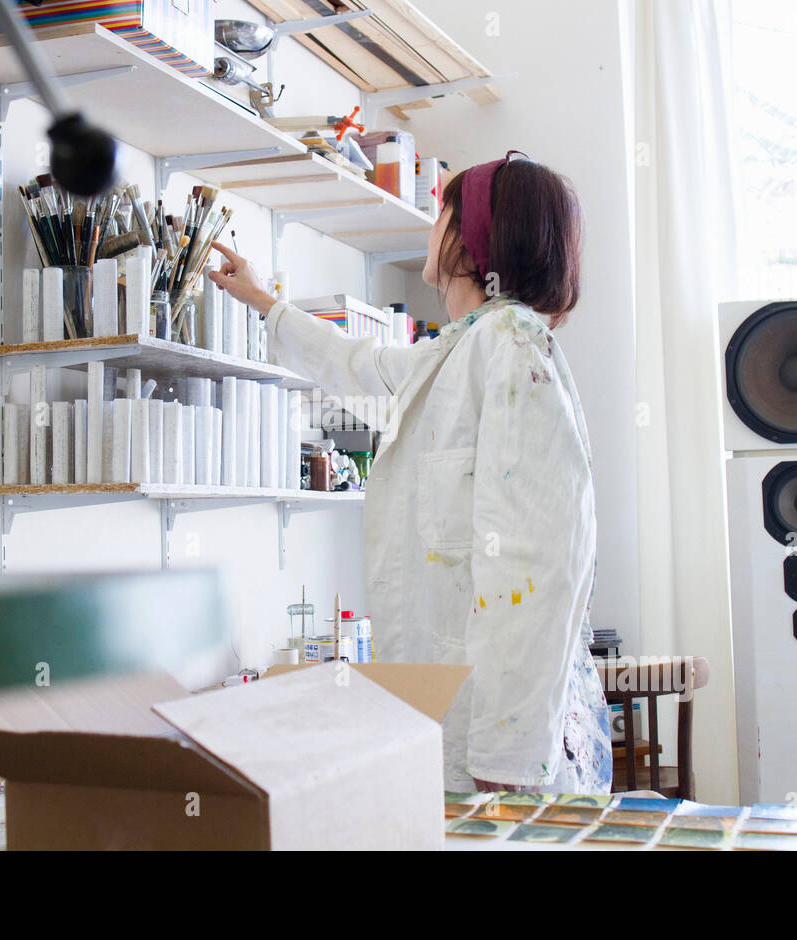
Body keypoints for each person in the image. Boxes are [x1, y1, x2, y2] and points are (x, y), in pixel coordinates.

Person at [208, 151, 612, 795]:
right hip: (456, 728)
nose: (432, 225)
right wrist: (263, 301)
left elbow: (538, 565)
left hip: (501, 756)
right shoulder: (457, 350)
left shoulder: (509, 347)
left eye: (442, 211)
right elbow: (361, 367)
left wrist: (506, 757)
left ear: (470, 238)